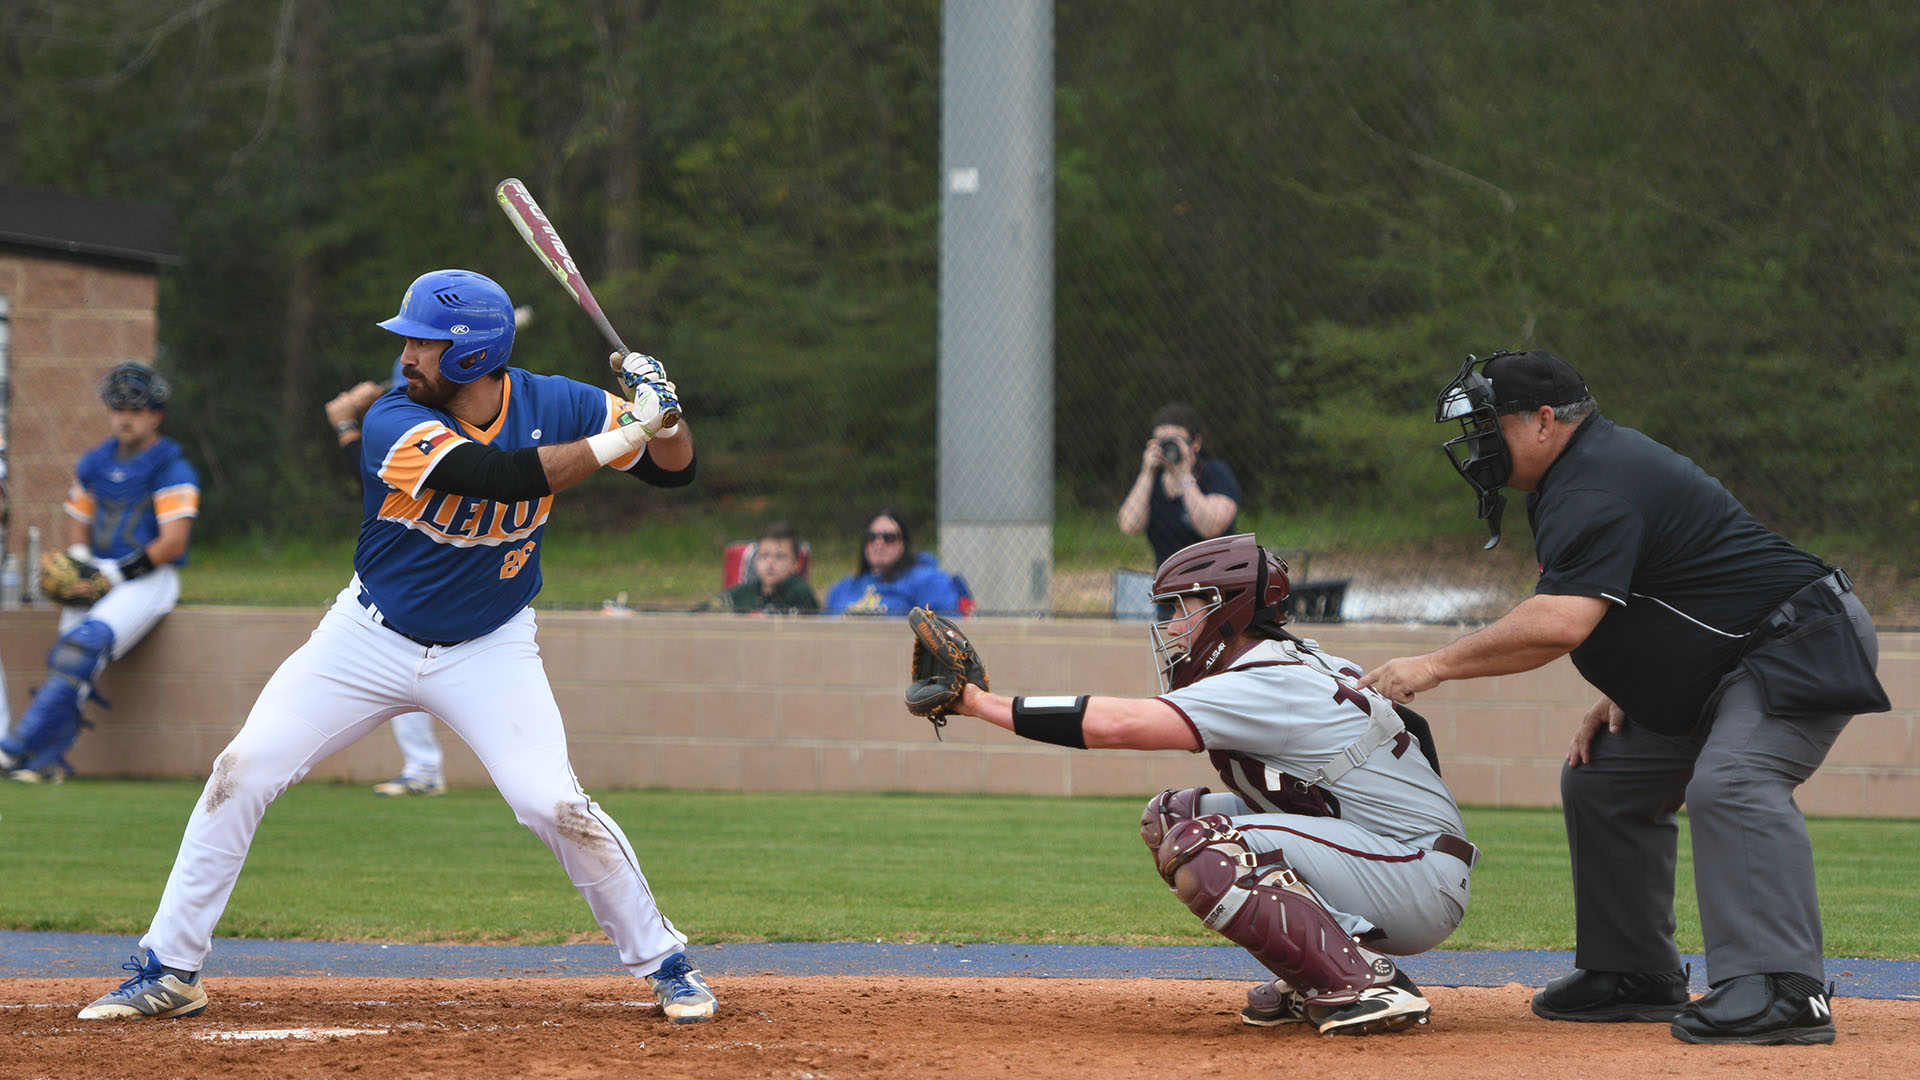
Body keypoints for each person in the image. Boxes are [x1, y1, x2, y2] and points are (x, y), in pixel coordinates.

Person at [75, 269, 719, 1026]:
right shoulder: (391, 418)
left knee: (552, 803)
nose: (407, 355)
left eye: (425, 342)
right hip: (365, 637)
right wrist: (632, 429)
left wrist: (665, 415)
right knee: (240, 770)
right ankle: (170, 968)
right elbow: (495, 479)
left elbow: (677, 472)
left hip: (490, 645)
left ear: (474, 356)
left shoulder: (560, 403)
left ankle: (667, 963)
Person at [1358, 350, 1888, 1047]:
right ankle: (1636, 974)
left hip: (1795, 645)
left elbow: (1559, 622)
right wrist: (1629, 684)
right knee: (1606, 777)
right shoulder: (1576, 476)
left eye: (1491, 425)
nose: (1478, 443)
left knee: (1733, 781)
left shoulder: (1596, 483)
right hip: (1731, 663)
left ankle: (1785, 988)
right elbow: (1660, 590)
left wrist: (1434, 664)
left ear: (1545, 421)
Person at [915, 533, 1475, 1036]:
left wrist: (979, 703)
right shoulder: (1293, 661)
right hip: (1397, 859)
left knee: (1203, 846)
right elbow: (1415, 734)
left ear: (1223, 608)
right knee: (1172, 816)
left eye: (1183, 608)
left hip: (1413, 876)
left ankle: (1368, 983)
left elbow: (1116, 726)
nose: (1173, 626)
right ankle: (1322, 969)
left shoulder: (1262, 678)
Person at [0, 362, 199, 782]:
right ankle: (46, 762)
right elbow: (78, 516)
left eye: (136, 408)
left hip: (148, 577)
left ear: (155, 414)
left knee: (85, 645)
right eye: (117, 406)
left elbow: (173, 542)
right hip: (98, 575)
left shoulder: (171, 466)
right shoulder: (95, 461)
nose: (124, 416)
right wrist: (79, 561)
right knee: (70, 660)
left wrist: (112, 577)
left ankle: (14, 748)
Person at [326, 369, 446, 797]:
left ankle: (424, 767)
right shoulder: (403, 412)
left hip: (433, 561)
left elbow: (363, 470)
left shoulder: (433, 428)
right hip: (409, 560)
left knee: (406, 650)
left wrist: (344, 422)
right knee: (397, 654)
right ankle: (423, 766)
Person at [1117, 402, 1241, 569]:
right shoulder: (1152, 482)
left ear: (1196, 443)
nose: (1169, 448)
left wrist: (1185, 477)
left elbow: (1211, 527)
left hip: (1217, 579)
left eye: (1175, 441)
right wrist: (1146, 472)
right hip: (1169, 582)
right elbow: (1129, 525)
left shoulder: (1216, 473)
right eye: (1161, 442)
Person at [823, 506, 961, 615]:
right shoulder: (844, 587)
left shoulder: (926, 581)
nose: (878, 543)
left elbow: (946, 636)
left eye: (888, 538)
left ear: (903, 544)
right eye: (871, 537)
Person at [722, 521, 818, 614]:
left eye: (780, 556)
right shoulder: (748, 590)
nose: (771, 563)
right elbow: (714, 605)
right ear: (756, 560)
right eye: (765, 556)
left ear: (795, 564)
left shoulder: (799, 593)